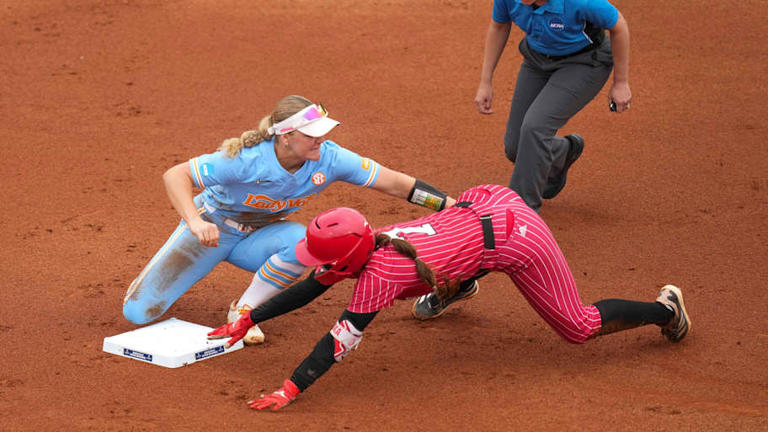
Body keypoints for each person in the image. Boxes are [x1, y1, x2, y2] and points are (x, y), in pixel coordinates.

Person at [209, 184, 691, 411]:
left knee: (578, 327)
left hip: (518, 236)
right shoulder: (372, 238)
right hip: (485, 201)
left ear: (349, 253)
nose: (316, 264)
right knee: (446, 259)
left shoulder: (381, 273)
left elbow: (338, 341)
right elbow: (313, 286)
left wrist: (290, 388)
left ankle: (666, 310)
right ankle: (458, 283)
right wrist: (249, 318)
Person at [122, 95, 456, 345]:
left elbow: (396, 184)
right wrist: (195, 222)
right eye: (311, 135)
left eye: (322, 133)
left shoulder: (330, 159)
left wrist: (453, 206)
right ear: (285, 136)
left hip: (260, 238)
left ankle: (245, 311)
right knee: (137, 313)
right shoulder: (245, 160)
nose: (320, 140)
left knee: (305, 243)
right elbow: (175, 175)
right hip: (210, 233)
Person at [474, 0, 632, 212]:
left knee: (535, 127)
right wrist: (485, 81)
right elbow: (499, 26)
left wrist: (621, 82)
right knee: (516, 146)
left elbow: (618, 25)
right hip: (537, 60)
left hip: (584, 62)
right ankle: (563, 152)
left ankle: (522, 212)